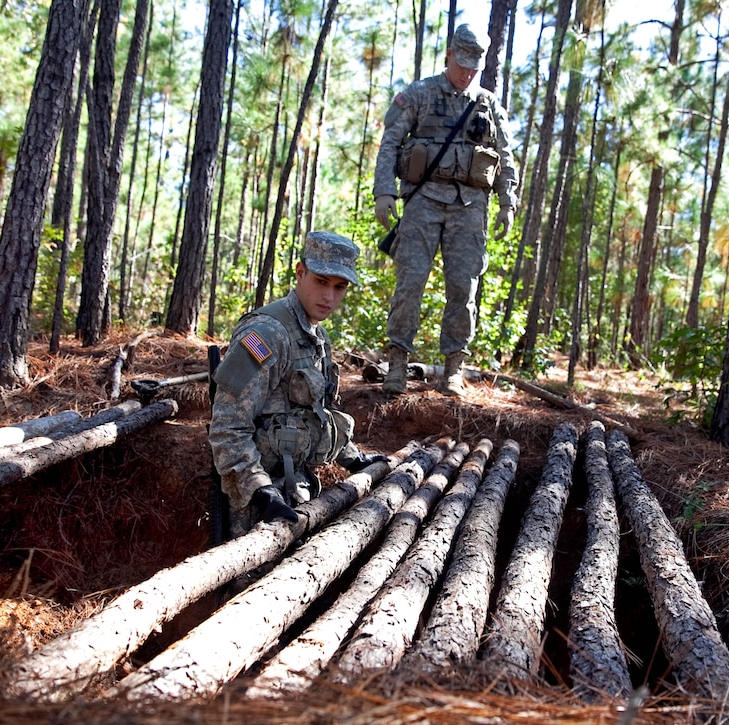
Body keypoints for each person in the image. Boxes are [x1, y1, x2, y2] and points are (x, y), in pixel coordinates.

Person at [208, 231, 387, 539]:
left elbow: (319, 412)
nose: (329, 297)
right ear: (300, 273)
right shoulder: (266, 334)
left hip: (299, 486)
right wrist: (261, 491)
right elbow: (227, 426)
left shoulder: (316, 337)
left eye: (339, 287)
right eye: (321, 282)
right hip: (257, 502)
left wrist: (351, 456)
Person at [372, 22, 519, 398]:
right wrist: (384, 191)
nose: (467, 71)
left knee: (464, 287)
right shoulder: (419, 94)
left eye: (475, 65)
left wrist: (508, 201)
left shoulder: (487, 103)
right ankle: (398, 362)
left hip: (470, 207)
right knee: (411, 281)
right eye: (462, 62)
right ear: (449, 54)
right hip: (423, 201)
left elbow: (505, 155)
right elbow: (390, 142)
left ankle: (454, 366)